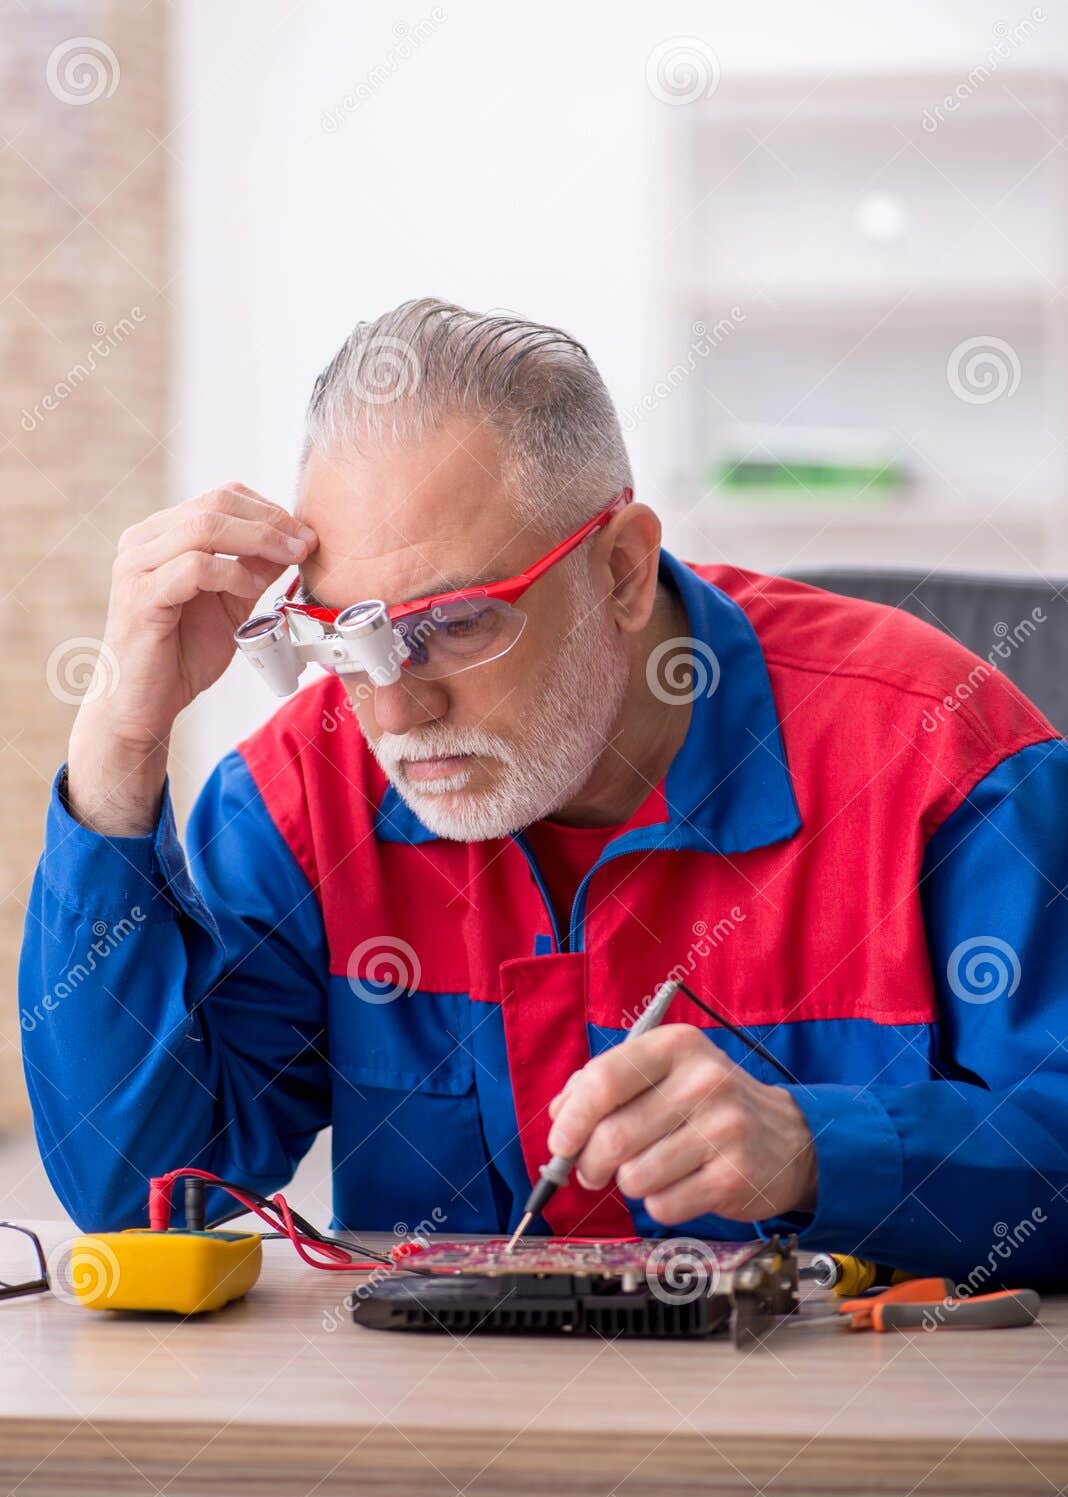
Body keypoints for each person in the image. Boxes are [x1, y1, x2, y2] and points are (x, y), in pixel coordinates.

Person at [19, 299, 1068, 1282]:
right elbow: (142, 1195)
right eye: (347, 637)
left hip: (838, 1455)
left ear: (619, 567)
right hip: (455, 1462)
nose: (391, 711)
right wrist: (120, 740)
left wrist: (811, 1151)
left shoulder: (937, 750)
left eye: (457, 624)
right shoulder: (301, 794)